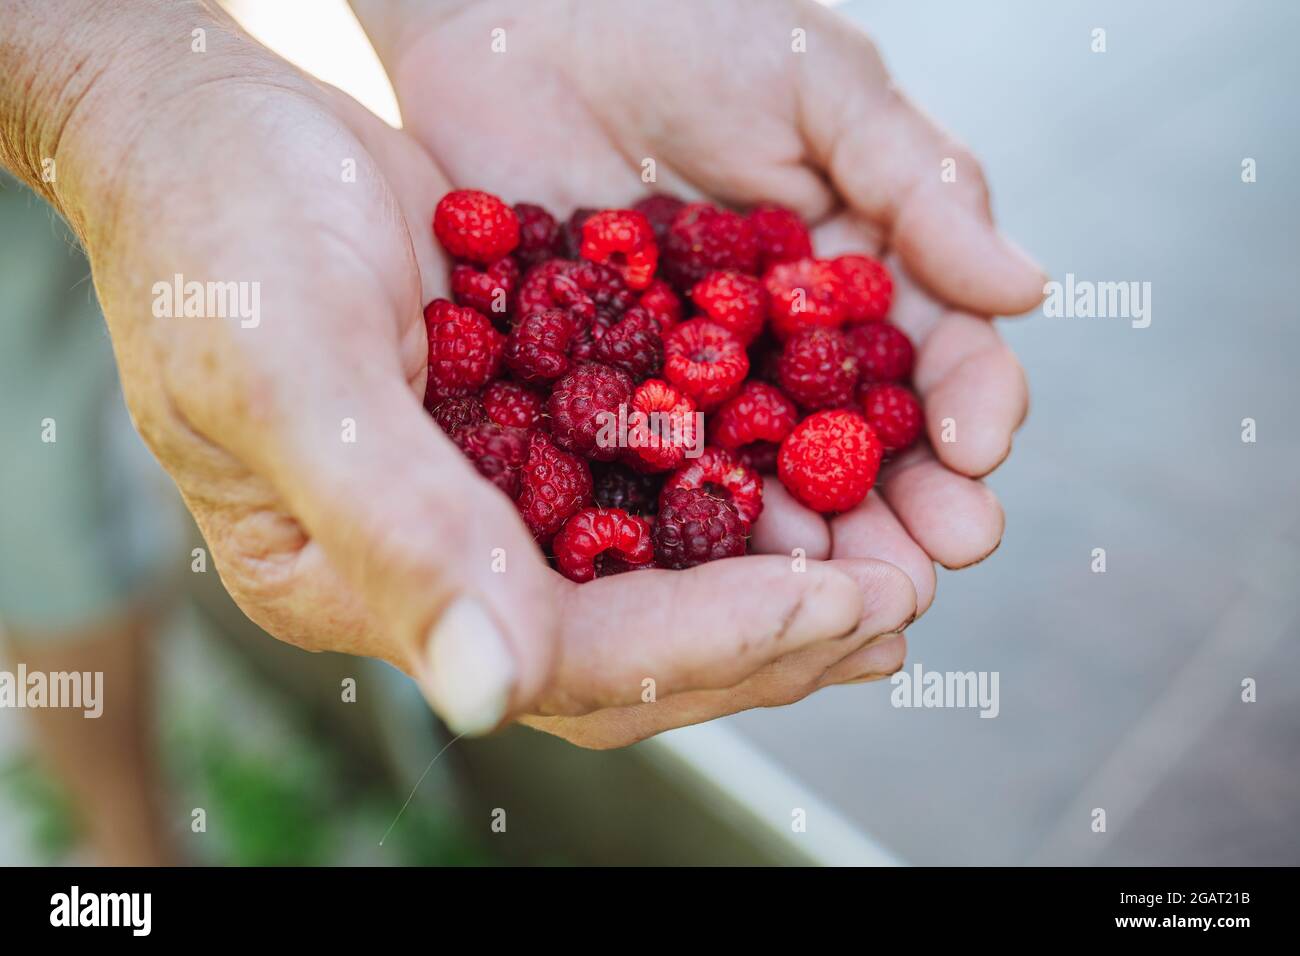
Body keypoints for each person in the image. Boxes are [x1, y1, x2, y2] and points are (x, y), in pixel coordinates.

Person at [0, 0, 1040, 804]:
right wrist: (107, 96)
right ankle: (118, 837)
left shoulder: (662, 366)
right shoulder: (573, 360)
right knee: (39, 499)